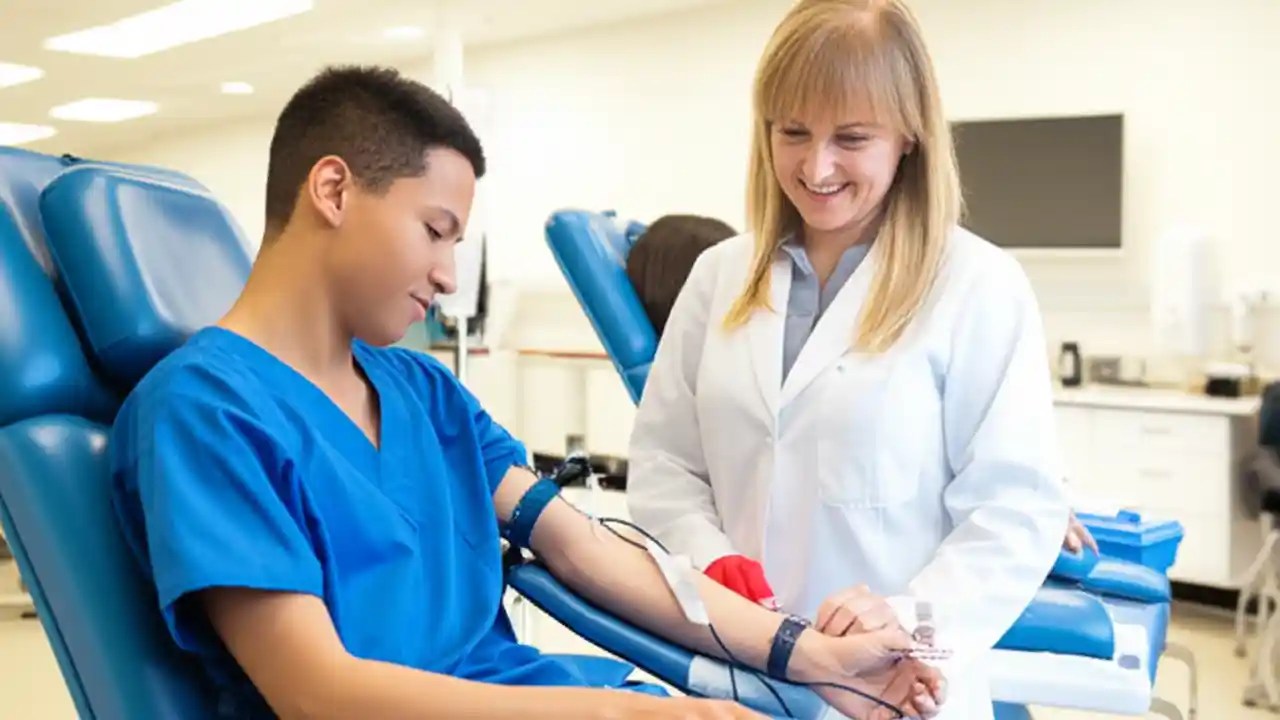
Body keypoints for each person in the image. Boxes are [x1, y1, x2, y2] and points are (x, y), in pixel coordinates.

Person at [108, 65, 945, 720]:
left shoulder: (423, 391)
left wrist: (807, 654)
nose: (445, 274)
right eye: (435, 230)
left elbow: (584, 550)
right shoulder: (204, 412)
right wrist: (619, 714)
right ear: (332, 191)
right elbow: (320, 695)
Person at [625, 2, 1073, 719]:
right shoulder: (719, 276)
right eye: (792, 132)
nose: (816, 165)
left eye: (852, 138)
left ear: (910, 138)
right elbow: (664, 464)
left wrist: (907, 618)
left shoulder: (977, 285)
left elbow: (1015, 509)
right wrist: (707, 557)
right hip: (735, 666)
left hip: (895, 685)